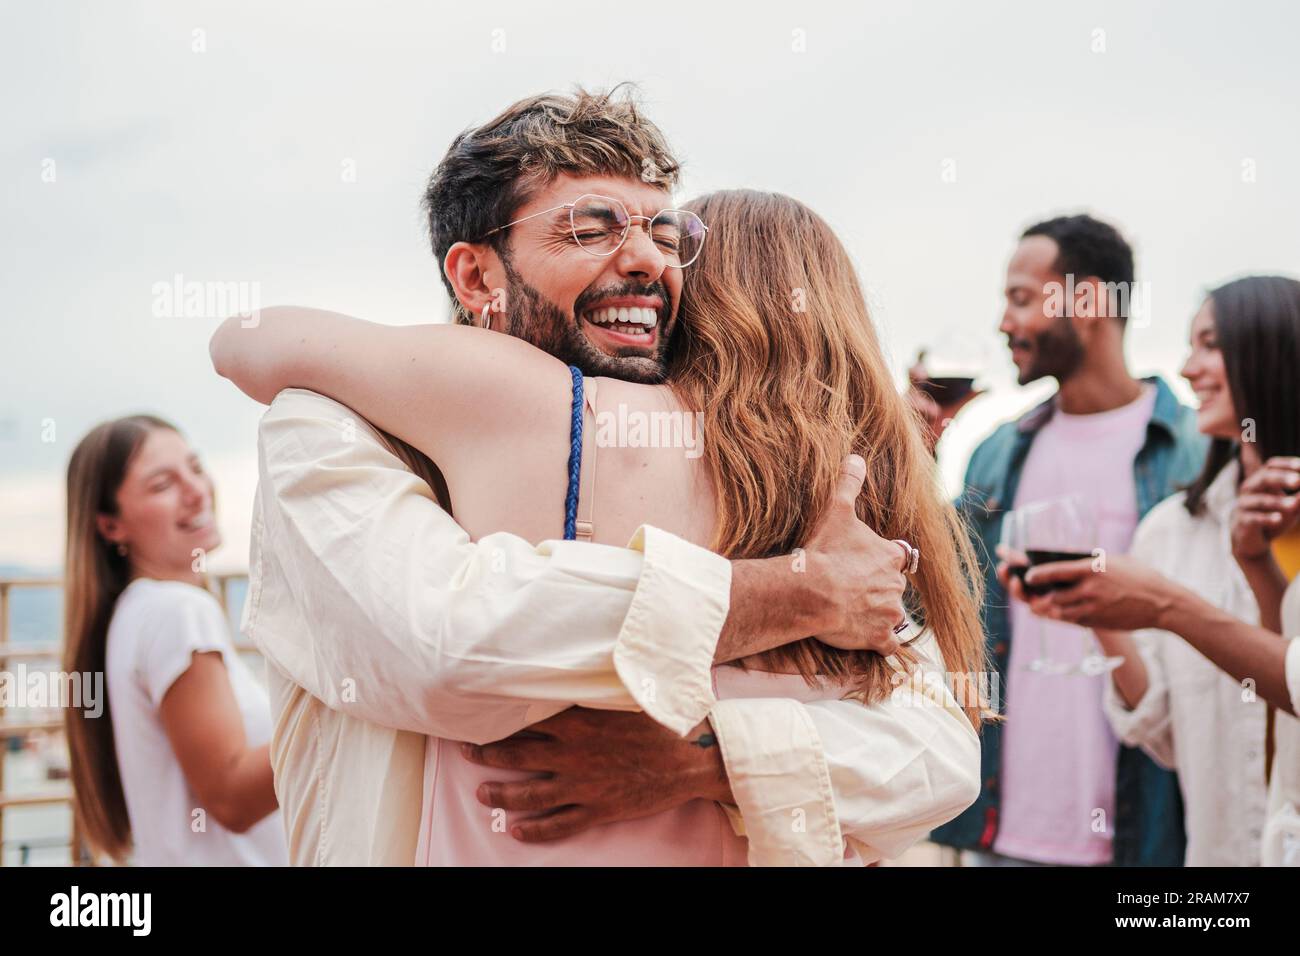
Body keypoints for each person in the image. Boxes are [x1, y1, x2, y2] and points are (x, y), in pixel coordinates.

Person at [210, 88, 985, 866]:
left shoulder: (750, 466)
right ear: (478, 279)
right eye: (592, 227)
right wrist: (796, 593)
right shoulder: (328, 433)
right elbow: (454, 649)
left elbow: (939, 750)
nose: (647, 259)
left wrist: (704, 764)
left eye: (663, 231)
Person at [929, 214, 1206, 867]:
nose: (1003, 323)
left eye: (1022, 299)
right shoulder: (996, 455)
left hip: (1149, 835)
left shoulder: (1197, 453)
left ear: (1086, 304)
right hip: (999, 831)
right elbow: (935, 607)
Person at [1005, 275, 1300, 865]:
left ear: (1278, 348)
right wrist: (1098, 610)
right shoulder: (1171, 531)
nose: (1189, 369)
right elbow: (1165, 738)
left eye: (1211, 344)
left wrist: (1167, 605)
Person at [62, 415, 287, 865]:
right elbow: (232, 799)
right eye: (163, 484)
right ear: (110, 526)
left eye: (196, 467)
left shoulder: (134, 612)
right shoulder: (177, 612)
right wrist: (340, 712)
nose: (197, 490)